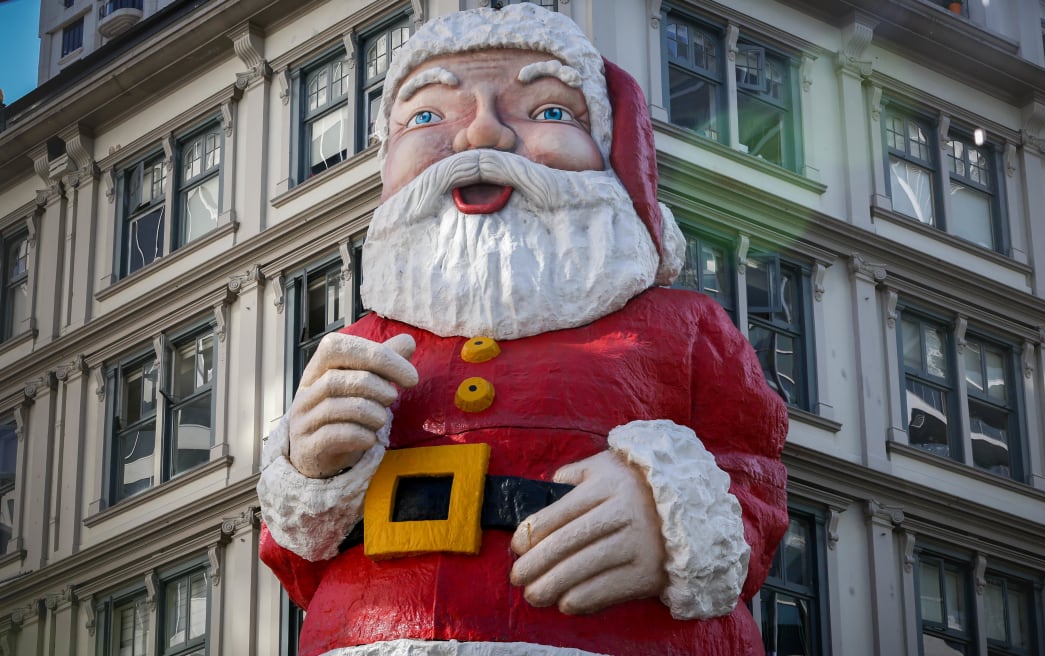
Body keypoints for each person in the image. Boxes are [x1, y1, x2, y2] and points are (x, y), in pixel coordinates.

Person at [257, 5, 788, 655]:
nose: (481, 135)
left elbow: (755, 481)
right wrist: (308, 470)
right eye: (427, 116)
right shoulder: (357, 347)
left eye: (547, 111)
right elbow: (294, 560)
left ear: (613, 156)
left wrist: (677, 517)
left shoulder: (682, 328)